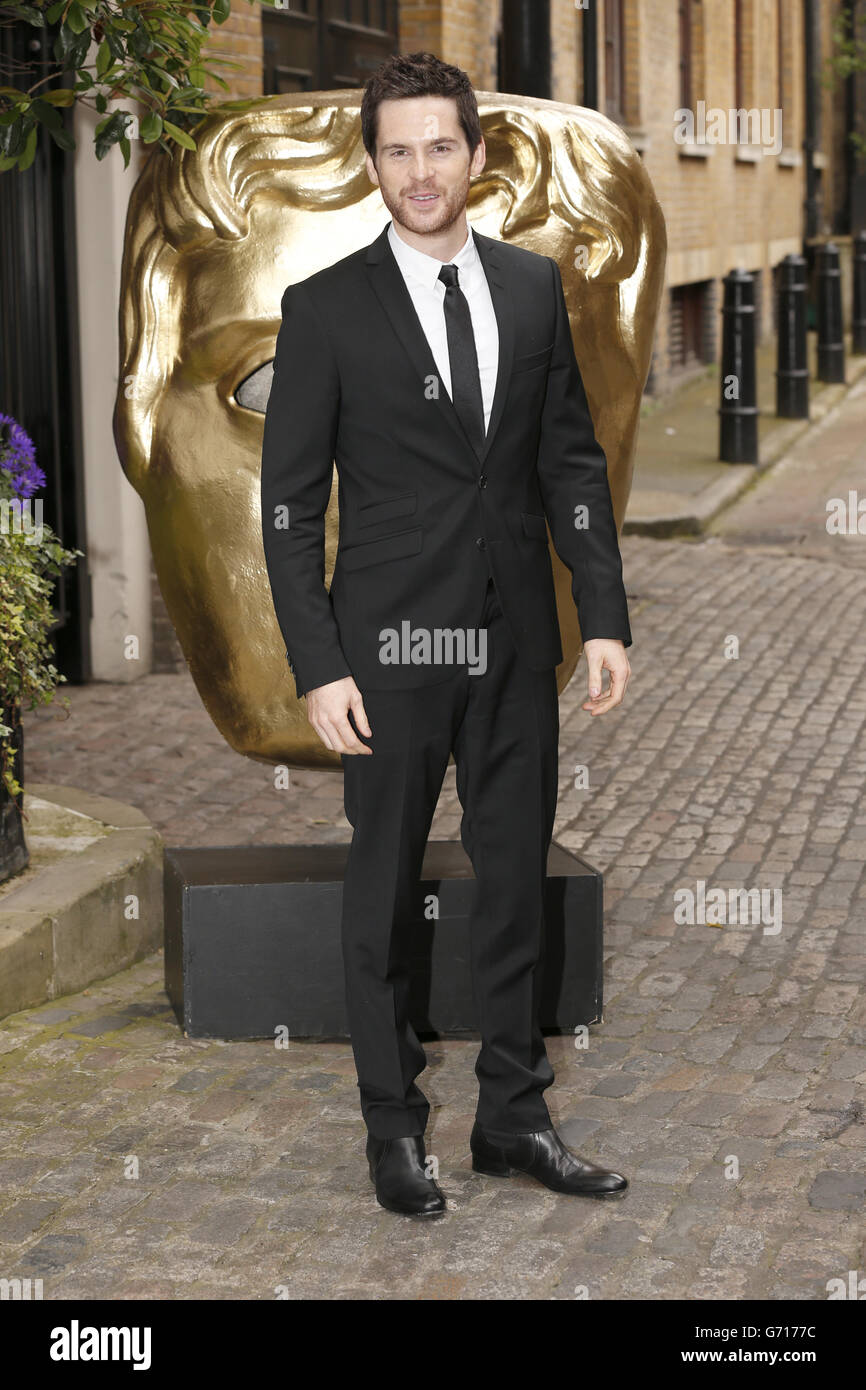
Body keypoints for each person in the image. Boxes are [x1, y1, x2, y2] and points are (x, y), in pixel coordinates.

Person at [261, 51, 632, 1217]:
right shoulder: (323, 310)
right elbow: (287, 509)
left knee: (513, 879)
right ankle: (391, 1125)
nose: (419, 171)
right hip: (386, 659)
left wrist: (603, 616)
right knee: (380, 890)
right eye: (396, 150)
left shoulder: (530, 290)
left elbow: (568, 460)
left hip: (514, 645)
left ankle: (512, 1116)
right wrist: (318, 663)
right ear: (371, 164)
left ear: (476, 156)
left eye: (438, 146)